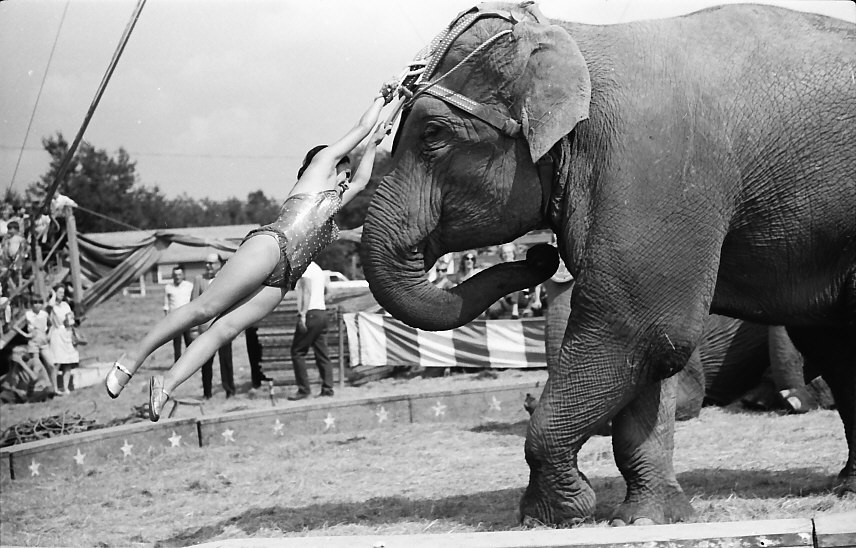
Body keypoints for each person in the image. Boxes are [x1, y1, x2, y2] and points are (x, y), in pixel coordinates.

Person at [104, 96, 389, 421]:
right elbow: (363, 127)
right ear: (326, 167)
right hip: (272, 246)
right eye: (344, 172)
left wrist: (375, 142)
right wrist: (384, 96)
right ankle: (131, 358)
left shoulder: (333, 208)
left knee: (224, 331)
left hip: (284, 279)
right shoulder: (315, 175)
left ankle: (166, 384)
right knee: (204, 309)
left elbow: (362, 181)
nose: (347, 179)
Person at [287, 261, 333, 400]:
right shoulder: (318, 269)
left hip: (310, 314)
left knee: (297, 352)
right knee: (322, 353)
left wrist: (303, 313)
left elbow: (306, 290)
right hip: (321, 313)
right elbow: (329, 292)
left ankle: (304, 390)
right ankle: (328, 388)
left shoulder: (305, 269)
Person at [193, 253, 236, 399]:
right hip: (205, 329)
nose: (208, 266)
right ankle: (207, 393)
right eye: (206, 263)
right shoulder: (199, 280)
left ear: (219, 264)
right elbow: (194, 304)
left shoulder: (227, 278)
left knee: (226, 360)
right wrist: (194, 328)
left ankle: (229, 390)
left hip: (224, 326)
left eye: (211, 263)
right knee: (205, 362)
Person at [14, 296, 58, 395]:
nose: (37, 305)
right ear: (31, 304)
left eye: (39, 302)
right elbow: (15, 325)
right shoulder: (28, 314)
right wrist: (25, 335)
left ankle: (54, 388)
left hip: (43, 341)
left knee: (51, 364)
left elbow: (52, 325)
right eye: (35, 302)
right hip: (33, 343)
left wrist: (49, 335)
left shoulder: (44, 314)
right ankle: (34, 390)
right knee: (36, 367)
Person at [47, 285, 78, 395]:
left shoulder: (65, 305)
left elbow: (70, 318)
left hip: (67, 332)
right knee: (57, 362)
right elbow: (50, 307)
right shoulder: (51, 305)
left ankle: (65, 387)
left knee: (68, 362)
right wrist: (53, 295)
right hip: (57, 333)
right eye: (59, 292)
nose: (62, 294)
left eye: (63, 292)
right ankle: (55, 388)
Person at [164, 265, 194, 362]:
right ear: (172, 275)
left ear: (183, 275)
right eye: (175, 275)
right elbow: (166, 305)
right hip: (174, 320)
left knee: (189, 342)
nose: (177, 277)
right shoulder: (168, 287)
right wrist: (167, 321)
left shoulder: (189, 286)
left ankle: (190, 363)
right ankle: (177, 364)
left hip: (187, 319)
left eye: (179, 274)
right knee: (176, 344)